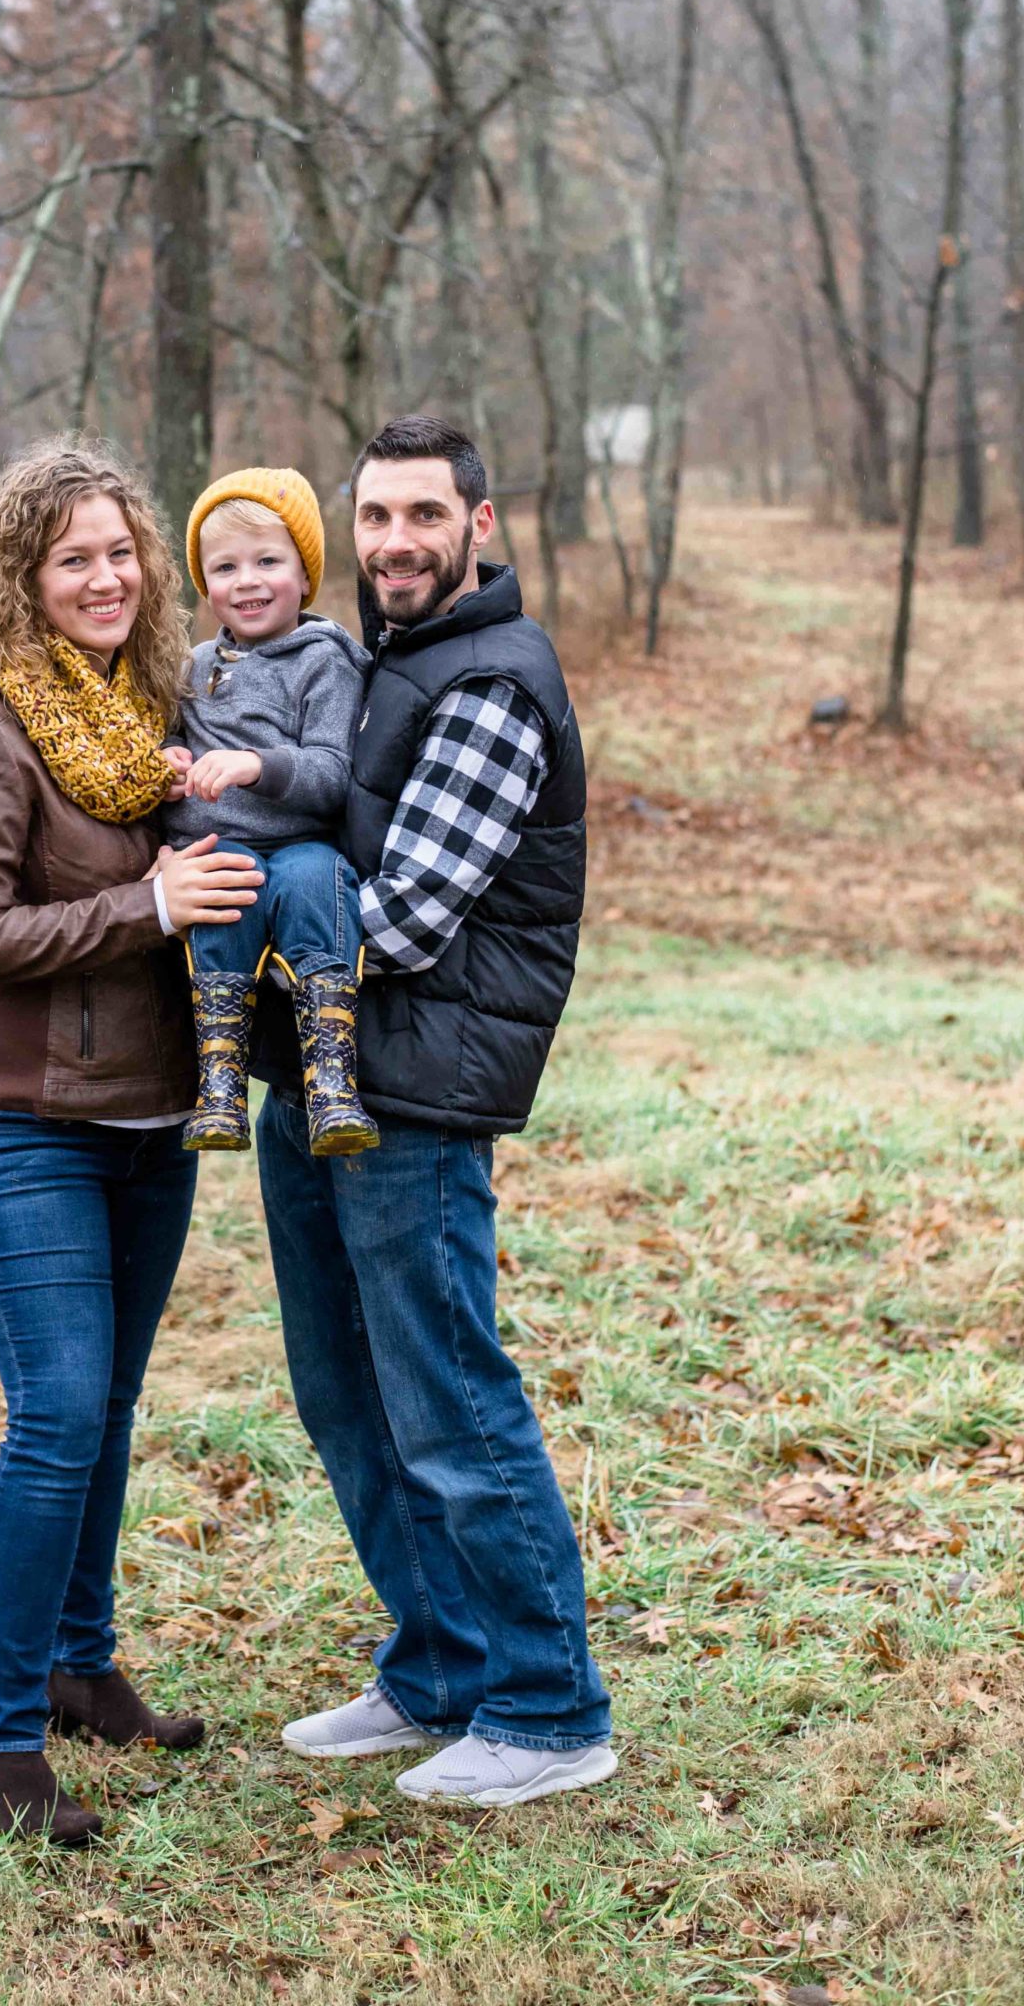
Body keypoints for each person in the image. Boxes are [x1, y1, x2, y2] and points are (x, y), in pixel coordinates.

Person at [0, 438, 264, 1846]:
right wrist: (149, 907)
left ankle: (78, 1665)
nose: (105, 578)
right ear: (22, 577)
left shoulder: (156, 714)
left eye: (120, 552)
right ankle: (0, 1740)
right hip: (17, 1129)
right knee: (54, 1414)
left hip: (150, 1127)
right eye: (72, 559)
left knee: (105, 1408)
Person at [256, 413, 615, 1809]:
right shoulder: (388, 660)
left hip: (409, 1091)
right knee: (347, 1393)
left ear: (479, 522)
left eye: (422, 515)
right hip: (326, 1069)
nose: (395, 541)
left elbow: (399, 918)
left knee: (448, 1398)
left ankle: (547, 1708)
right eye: (375, 517)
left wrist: (239, 921)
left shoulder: (490, 682)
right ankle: (441, 1665)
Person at [159, 465, 375, 1158]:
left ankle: (331, 1077)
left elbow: (333, 773)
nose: (246, 581)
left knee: (315, 880)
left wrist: (258, 764)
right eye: (225, 567)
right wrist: (167, 768)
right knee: (220, 885)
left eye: (267, 562)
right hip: (218, 843)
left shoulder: (325, 660)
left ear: (305, 573)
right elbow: (164, 745)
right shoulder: (192, 666)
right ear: (204, 583)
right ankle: (220, 1082)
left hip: (299, 841)